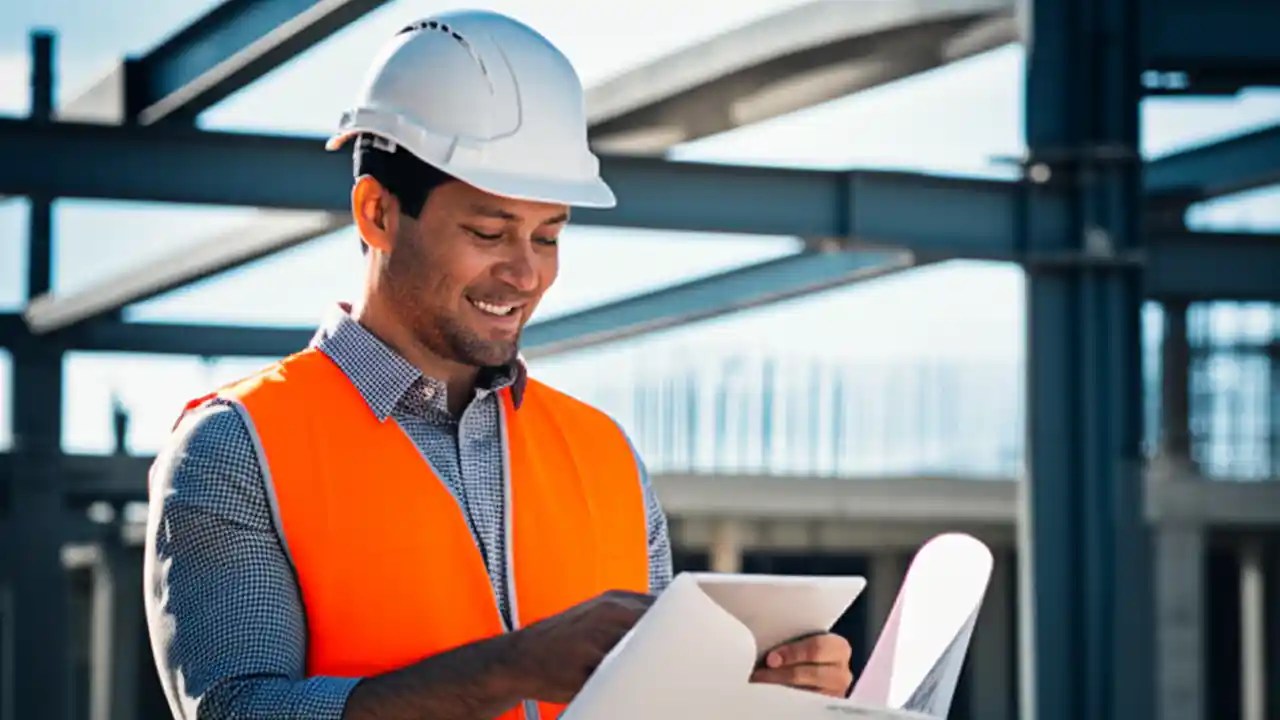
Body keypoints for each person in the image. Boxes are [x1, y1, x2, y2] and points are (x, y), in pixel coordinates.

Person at [143, 10, 853, 720]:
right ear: (377, 214)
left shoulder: (605, 457)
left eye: (547, 236)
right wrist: (505, 670)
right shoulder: (238, 448)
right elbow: (238, 711)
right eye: (489, 232)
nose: (525, 274)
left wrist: (762, 694)